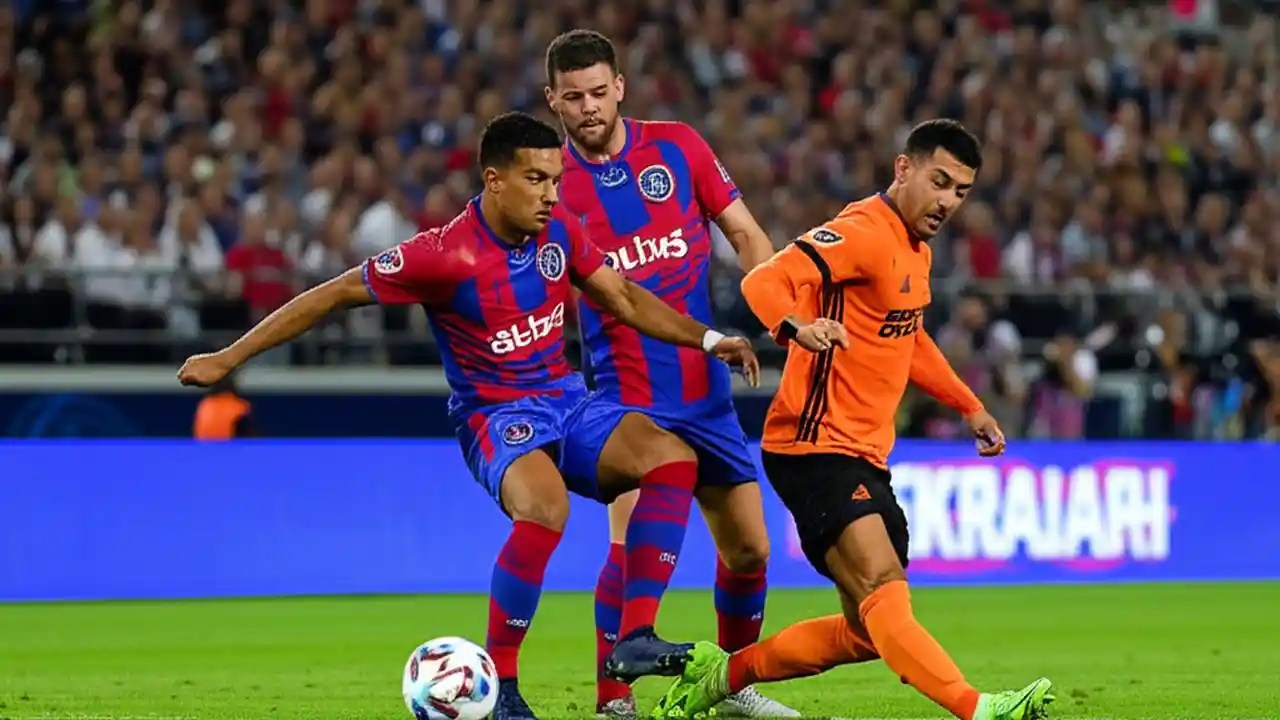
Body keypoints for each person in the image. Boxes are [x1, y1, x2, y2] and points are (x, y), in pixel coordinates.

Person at [176, 112, 760, 720]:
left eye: (556, 179)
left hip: (565, 398)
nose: (551, 194)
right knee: (546, 508)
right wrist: (229, 356)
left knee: (671, 457)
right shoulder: (442, 255)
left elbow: (623, 297)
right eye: (536, 180)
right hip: (496, 414)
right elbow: (332, 293)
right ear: (494, 179)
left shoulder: (559, 228)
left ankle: (636, 637)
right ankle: (503, 687)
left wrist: (708, 339)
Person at [651, 120, 1055, 720]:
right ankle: (979, 709)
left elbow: (907, 336)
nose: (947, 201)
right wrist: (795, 327)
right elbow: (766, 279)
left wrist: (969, 405)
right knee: (881, 581)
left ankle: (721, 676)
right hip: (813, 446)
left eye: (961, 192)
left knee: (866, 631)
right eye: (939, 182)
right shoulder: (863, 231)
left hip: (864, 452)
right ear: (903, 169)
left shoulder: (916, 249)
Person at [543, 29, 797, 720]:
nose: (590, 107)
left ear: (621, 86)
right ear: (553, 102)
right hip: (629, 397)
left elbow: (745, 233)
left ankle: (731, 684)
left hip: (705, 391)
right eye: (574, 98)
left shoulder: (678, 147)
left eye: (600, 92)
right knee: (627, 547)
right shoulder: (551, 189)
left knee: (749, 551)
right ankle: (613, 698)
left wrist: (777, 309)